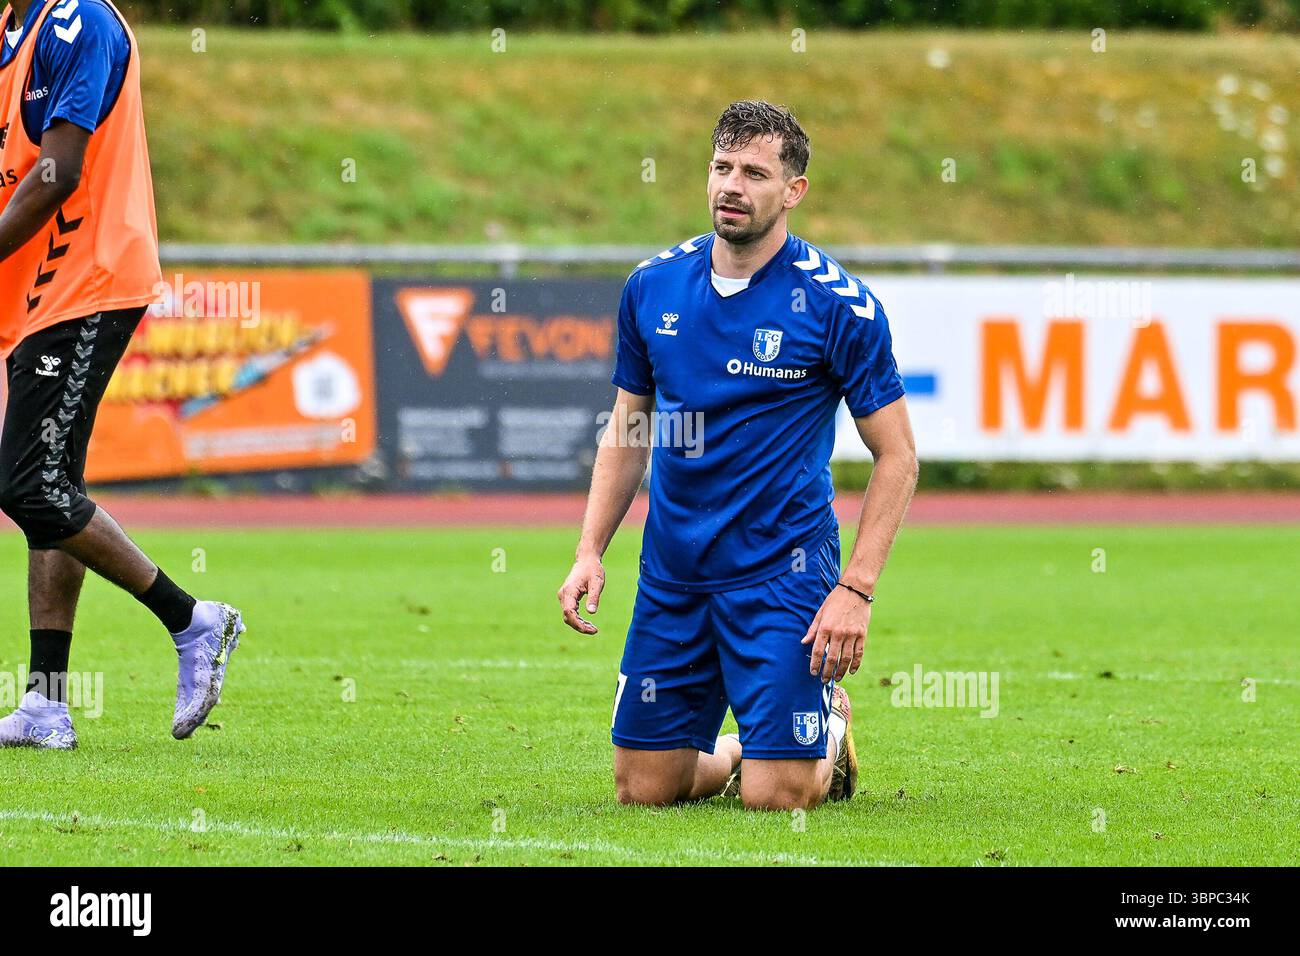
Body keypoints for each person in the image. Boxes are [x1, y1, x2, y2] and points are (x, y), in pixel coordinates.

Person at [557, 101, 918, 810]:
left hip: (781, 572)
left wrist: (857, 589)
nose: (732, 185)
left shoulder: (840, 305)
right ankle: (743, 748)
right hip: (676, 571)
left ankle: (827, 731)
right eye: (722, 167)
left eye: (755, 172)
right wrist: (589, 549)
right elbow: (629, 427)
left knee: (777, 799)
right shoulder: (652, 286)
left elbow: (898, 456)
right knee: (643, 790)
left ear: (793, 191)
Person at [0, 0, 244, 750]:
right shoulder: (11, 38)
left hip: (88, 281)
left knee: (28, 486)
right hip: (38, 296)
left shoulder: (77, 20)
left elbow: (58, 168)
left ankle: (192, 618)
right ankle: (45, 704)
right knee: (53, 488)